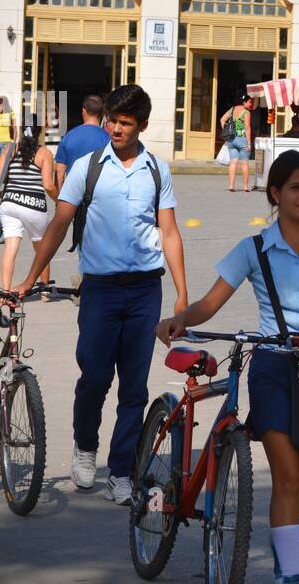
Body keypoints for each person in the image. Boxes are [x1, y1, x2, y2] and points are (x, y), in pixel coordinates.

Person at [157, 150, 299, 584]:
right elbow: (211, 303)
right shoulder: (254, 248)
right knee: (287, 477)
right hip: (271, 369)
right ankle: (292, 579)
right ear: (275, 193)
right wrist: (179, 319)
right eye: (295, 187)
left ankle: (283, 543)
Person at [11, 84, 188, 504]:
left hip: (146, 289)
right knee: (93, 379)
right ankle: (85, 448)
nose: (115, 129)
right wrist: (32, 277)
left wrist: (182, 295)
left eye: (125, 123)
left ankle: (122, 470)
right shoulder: (87, 167)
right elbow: (59, 224)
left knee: (134, 388)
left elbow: (169, 232)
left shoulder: (157, 171)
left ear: (142, 126)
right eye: (111, 120)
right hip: (100, 291)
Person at [0, 123, 58, 297]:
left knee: (10, 248)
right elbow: (48, 185)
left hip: (9, 203)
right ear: (39, 133)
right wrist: (59, 200)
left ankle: (6, 291)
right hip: (34, 206)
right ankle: (45, 291)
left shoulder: (10, 149)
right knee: (42, 249)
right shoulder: (44, 153)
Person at [55, 94, 109, 190]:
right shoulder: (108, 139)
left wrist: (60, 199)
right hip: (99, 194)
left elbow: (59, 173)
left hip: (73, 195)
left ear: (83, 111)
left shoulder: (68, 137)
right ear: (102, 113)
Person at [219, 93, 255, 193]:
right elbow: (247, 128)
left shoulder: (232, 109)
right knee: (244, 163)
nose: (251, 104)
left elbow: (222, 120)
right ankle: (245, 186)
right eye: (250, 102)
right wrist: (249, 143)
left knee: (233, 162)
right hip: (242, 139)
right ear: (244, 102)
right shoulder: (246, 113)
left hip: (231, 140)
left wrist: (227, 130)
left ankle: (231, 185)